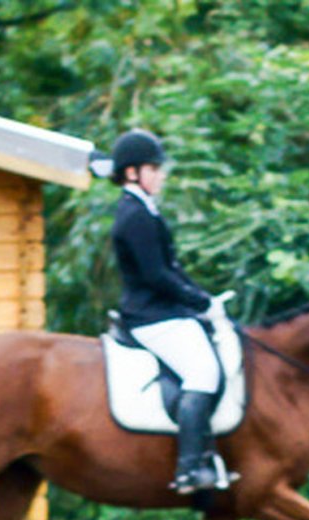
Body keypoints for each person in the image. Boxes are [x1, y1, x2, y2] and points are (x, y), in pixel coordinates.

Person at [107, 129, 224, 492]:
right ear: (132, 173)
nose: (161, 175)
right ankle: (189, 468)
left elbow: (171, 269)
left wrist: (202, 298)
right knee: (203, 373)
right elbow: (156, 275)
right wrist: (199, 302)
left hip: (165, 309)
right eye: (153, 169)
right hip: (151, 315)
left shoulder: (144, 209)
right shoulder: (135, 216)